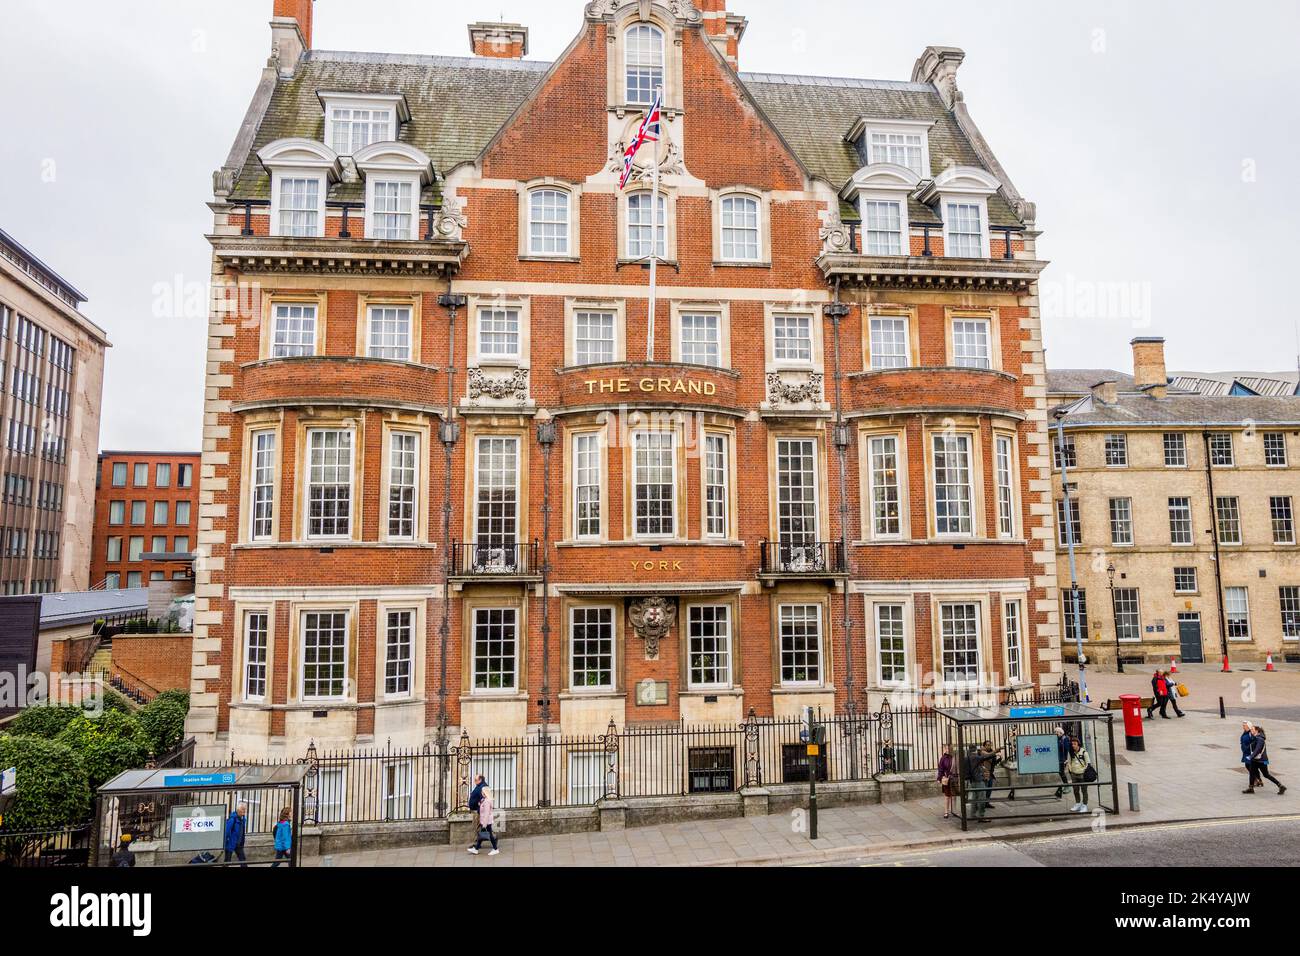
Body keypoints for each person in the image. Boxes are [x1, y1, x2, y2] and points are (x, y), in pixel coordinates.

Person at [1244, 725, 1287, 795]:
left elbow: (1258, 749)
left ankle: (1281, 786)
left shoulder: (1260, 739)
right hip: (1255, 760)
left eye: (1252, 729)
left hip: (1261, 761)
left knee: (1266, 775)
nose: (1251, 730)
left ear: (1257, 731)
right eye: (1251, 729)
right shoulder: (1256, 737)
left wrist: (1251, 756)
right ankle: (1251, 788)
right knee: (1252, 773)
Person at [967, 741, 1001, 822]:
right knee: (982, 798)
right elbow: (986, 756)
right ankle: (981, 816)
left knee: (974, 799)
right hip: (979, 780)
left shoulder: (968, 757)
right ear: (975, 750)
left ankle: (972, 815)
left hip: (973, 781)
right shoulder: (976, 757)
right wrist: (995, 751)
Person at [468, 784, 499, 855]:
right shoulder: (484, 800)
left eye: (483, 792)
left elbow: (487, 813)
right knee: (482, 835)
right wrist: (480, 804)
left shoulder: (487, 801)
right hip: (485, 821)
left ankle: (495, 849)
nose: (481, 793)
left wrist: (484, 824)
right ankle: (476, 849)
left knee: (488, 835)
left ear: (485, 793)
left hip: (486, 821)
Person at [1066, 736, 1092, 813]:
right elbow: (1069, 761)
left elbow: (1088, 764)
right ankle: (1078, 803)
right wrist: (1071, 770)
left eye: (1075, 744)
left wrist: (1084, 771)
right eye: (1072, 744)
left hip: (1082, 775)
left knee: (1084, 790)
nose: (1073, 745)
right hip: (1074, 774)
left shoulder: (1084, 752)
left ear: (1078, 744)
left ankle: (1084, 805)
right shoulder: (1071, 752)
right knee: (1076, 790)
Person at [937, 744, 956, 819]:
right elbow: (940, 769)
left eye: (950, 748)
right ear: (945, 749)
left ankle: (954, 810)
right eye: (947, 748)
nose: (949, 750)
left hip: (954, 778)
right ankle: (946, 811)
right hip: (947, 778)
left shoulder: (955, 757)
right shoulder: (943, 758)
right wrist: (939, 778)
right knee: (947, 796)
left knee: (954, 795)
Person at [1054, 725, 1072, 799]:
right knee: (1061, 772)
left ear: (1060, 733)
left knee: (1062, 772)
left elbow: (1067, 749)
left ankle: (1067, 786)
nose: (1055, 733)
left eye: (1056, 732)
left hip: (1063, 759)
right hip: (1059, 759)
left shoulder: (1065, 739)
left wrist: (1067, 760)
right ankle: (1066, 785)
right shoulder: (1058, 739)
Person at [1240, 721, 1259, 789]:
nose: (1243, 727)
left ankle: (1256, 780)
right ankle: (1257, 779)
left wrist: (1247, 748)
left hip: (1249, 753)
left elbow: (1254, 742)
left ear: (1248, 726)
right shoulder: (1245, 732)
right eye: (1243, 725)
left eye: (1244, 725)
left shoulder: (1251, 733)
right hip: (1246, 752)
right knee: (1249, 766)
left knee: (1250, 767)